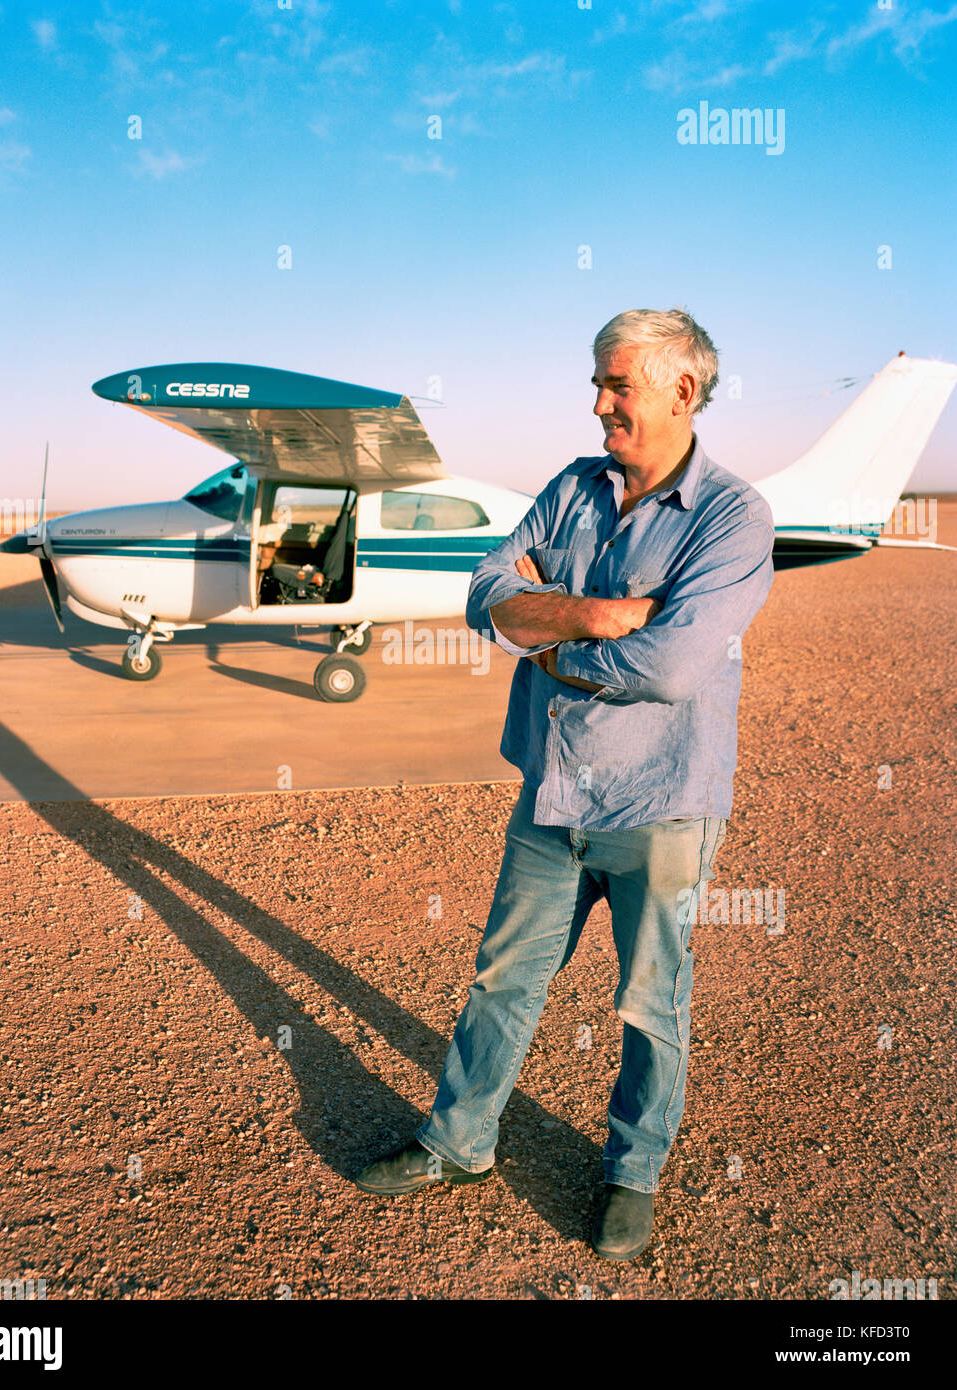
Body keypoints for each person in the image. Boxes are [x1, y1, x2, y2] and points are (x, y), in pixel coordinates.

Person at [353, 308, 775, 1262]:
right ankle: (458, 1143)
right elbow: (483, 592)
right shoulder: (571, 487)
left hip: (661, 804)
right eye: (596, 383)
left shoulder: (733, 518)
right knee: (503, 978)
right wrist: (590, 613)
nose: (596, 405)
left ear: (682, 389)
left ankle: (631, 1172)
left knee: (649, 1001)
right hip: (551, 791)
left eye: (616, 385)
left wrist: (546, 643)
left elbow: (671, 669)